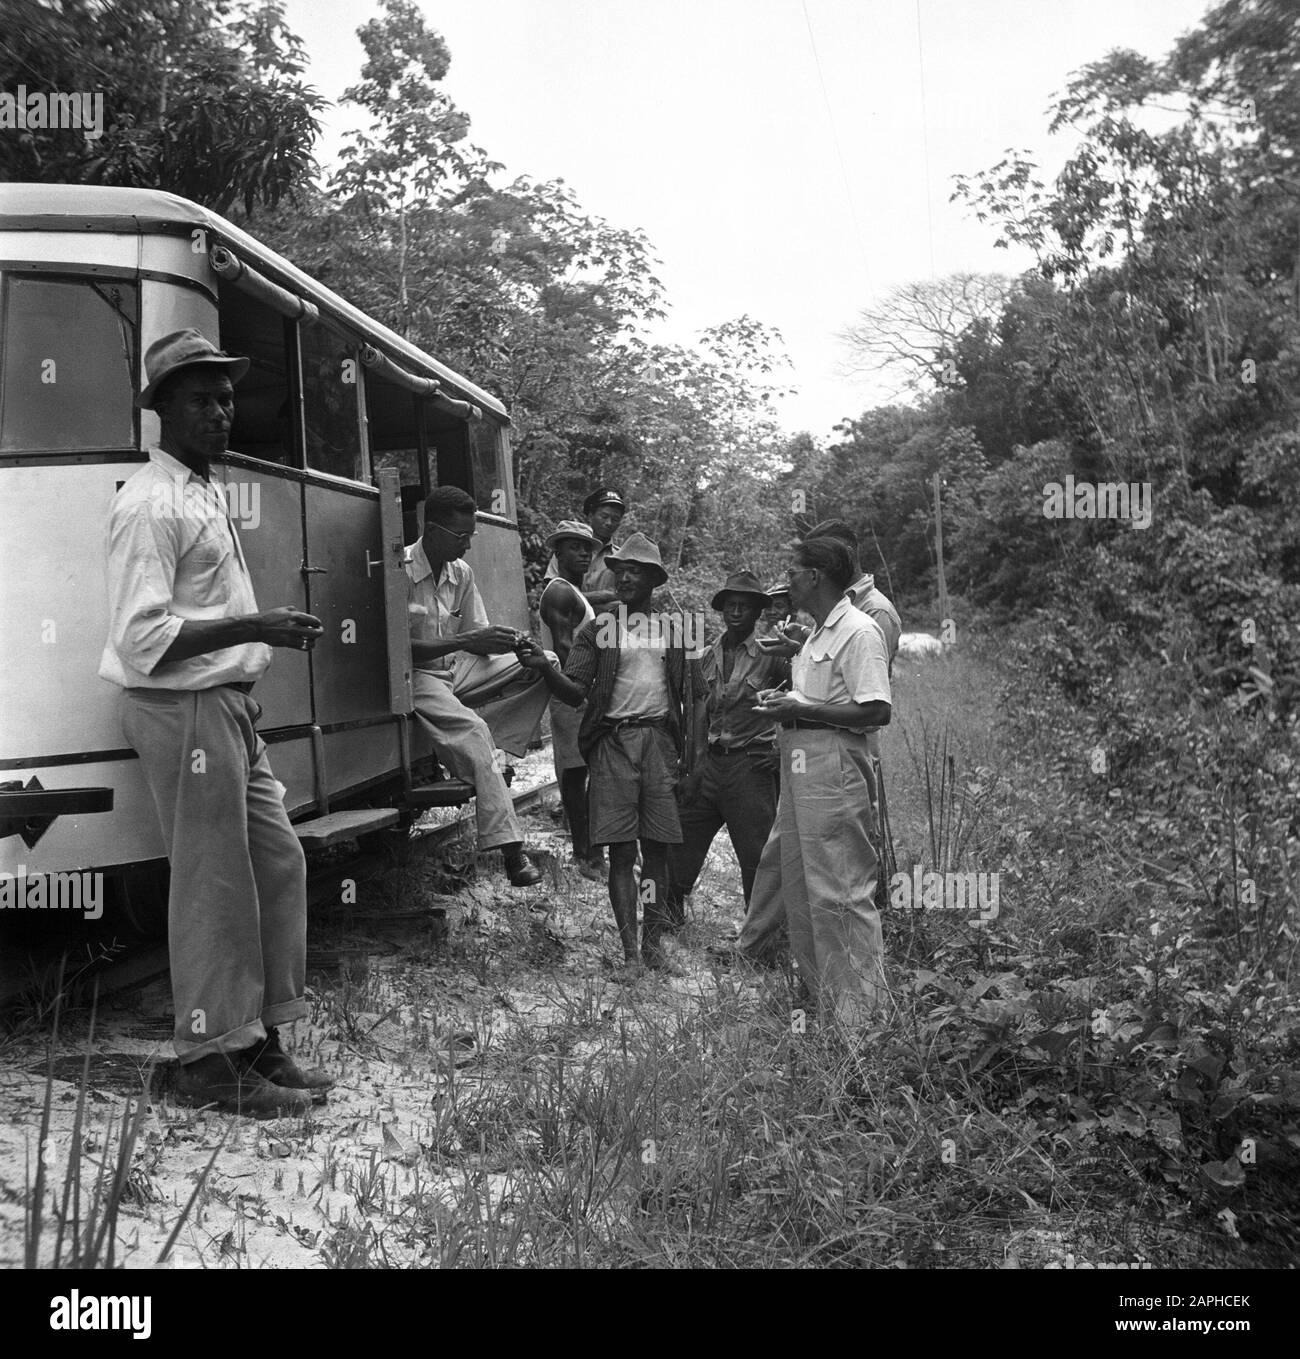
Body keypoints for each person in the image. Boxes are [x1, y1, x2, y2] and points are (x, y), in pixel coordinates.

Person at [101, 328, 330, 1117]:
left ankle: (261, 1038)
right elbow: (143, 640)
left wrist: (250, 641)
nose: (221, 411)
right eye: (200, 398)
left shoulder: (203, 492)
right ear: (159, 408)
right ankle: (206, 1062)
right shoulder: (150, 501)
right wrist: (254, 628)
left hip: (228, 704)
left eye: (228, 397)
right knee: (212, 885)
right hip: (181, 706)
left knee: (278, 862)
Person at [519, 533, 695, 973]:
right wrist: (546, 668)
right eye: (620, 570)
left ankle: (654, 948)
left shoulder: (676, 628)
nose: (626, 577)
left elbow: (693, 697)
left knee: (656, 852)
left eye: (636, 571)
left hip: (659, 744)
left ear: (654, 579)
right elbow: (576, 691)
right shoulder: (599, 628)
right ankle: (631, 955)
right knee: (620, 853)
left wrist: (692, 758)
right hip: (614, 745)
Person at [748, 536, 892, 1026]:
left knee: (842, 890)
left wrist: (804, 708)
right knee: (803, 885)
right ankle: (826, 1006)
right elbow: (821, 697)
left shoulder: (859, 631)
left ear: (815, 576)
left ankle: (863, 1021)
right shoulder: (815, 634)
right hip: (803, 762)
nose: (787, 579)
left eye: (793, 570)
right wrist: (787, 702)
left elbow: (876, 709)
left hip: (834, 765)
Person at [406, 484, 551, 887]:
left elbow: (477, 635)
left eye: (471, 535)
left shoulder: (460, 572)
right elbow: (398, 652)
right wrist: (465, 642)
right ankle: (512, 853)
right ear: (432, 530)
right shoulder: (399, 570)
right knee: (475, 731)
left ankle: (489, 750)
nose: (468, 545)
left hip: (457, 670)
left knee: (544, 663)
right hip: (419, 677)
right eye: (461, 536)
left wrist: (507, 643)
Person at [664, 572, 786, 931]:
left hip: (751, 767)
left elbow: (800, 701)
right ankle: (669, 919)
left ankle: (760, 936)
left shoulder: (771, 654)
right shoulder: (705, 656)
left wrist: (782, 750)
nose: (736, 612)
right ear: (721, 610)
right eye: (730, 605)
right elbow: (697, 715)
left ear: (755, 613)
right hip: (710, 764)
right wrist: (692, 765)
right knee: (682, 840)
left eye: (744, 607)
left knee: (756, 856)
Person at [538, 520, 605, 880]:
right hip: (571, 695)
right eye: (574, 547)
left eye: (587, 548)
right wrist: (586, 691)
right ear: (557, 552)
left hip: (579, 693)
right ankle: (586, 854)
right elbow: (565, 648)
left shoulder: (575, 593)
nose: (583, 554)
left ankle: (593, 851)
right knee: (577, 772)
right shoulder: (559, 592)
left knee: (586, 770)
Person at [543, 487, 625, 609]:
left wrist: (577, 600)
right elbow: (553, 597)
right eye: (604, 516)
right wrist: (605, 595)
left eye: (615, 519)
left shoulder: (621, 558)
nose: (609, 523)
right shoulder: (566, 551)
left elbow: (623, 602)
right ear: (591, 516)